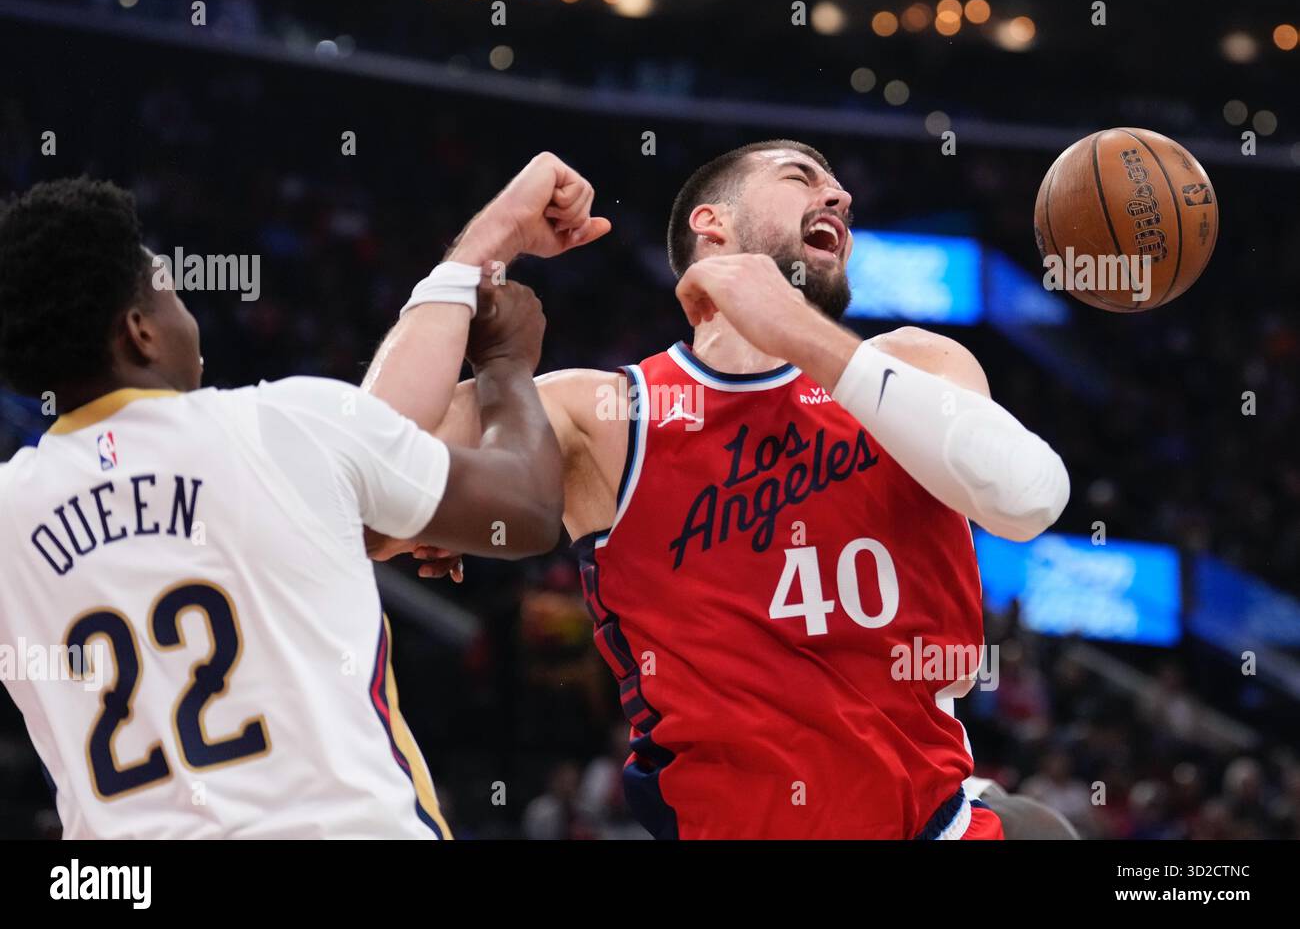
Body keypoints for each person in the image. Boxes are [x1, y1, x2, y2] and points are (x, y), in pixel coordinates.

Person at [371, 142, 1071, 838]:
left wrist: (794, 330)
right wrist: (485, 243)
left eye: (840, 190)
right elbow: (359, 471)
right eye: (801, 177)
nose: (840, 197)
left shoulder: (917, 362)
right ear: (713, 224)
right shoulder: (604, 415)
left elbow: (1029, 497)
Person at [0, 175, 564, 838]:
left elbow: (362, 469)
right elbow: (526, 506)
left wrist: (483, 245)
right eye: (170, 293)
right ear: (139, 333)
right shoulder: (282, 423)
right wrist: (505, 363)